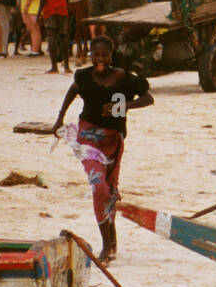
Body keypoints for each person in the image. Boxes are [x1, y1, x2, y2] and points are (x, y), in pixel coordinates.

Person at [51, 35, 154, 264]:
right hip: (87, 138)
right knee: (99, 187)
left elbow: (148, 98)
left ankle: (113, 240)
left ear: (111, 55)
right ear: (90, 55)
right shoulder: (84, 76)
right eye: (95, 54)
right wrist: (59, 118)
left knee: (109, 191)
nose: (99, 59)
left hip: (113, 140)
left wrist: (123, 105)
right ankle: (106, 246)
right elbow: (72, 91)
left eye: (104, 55)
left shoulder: (124, 79)